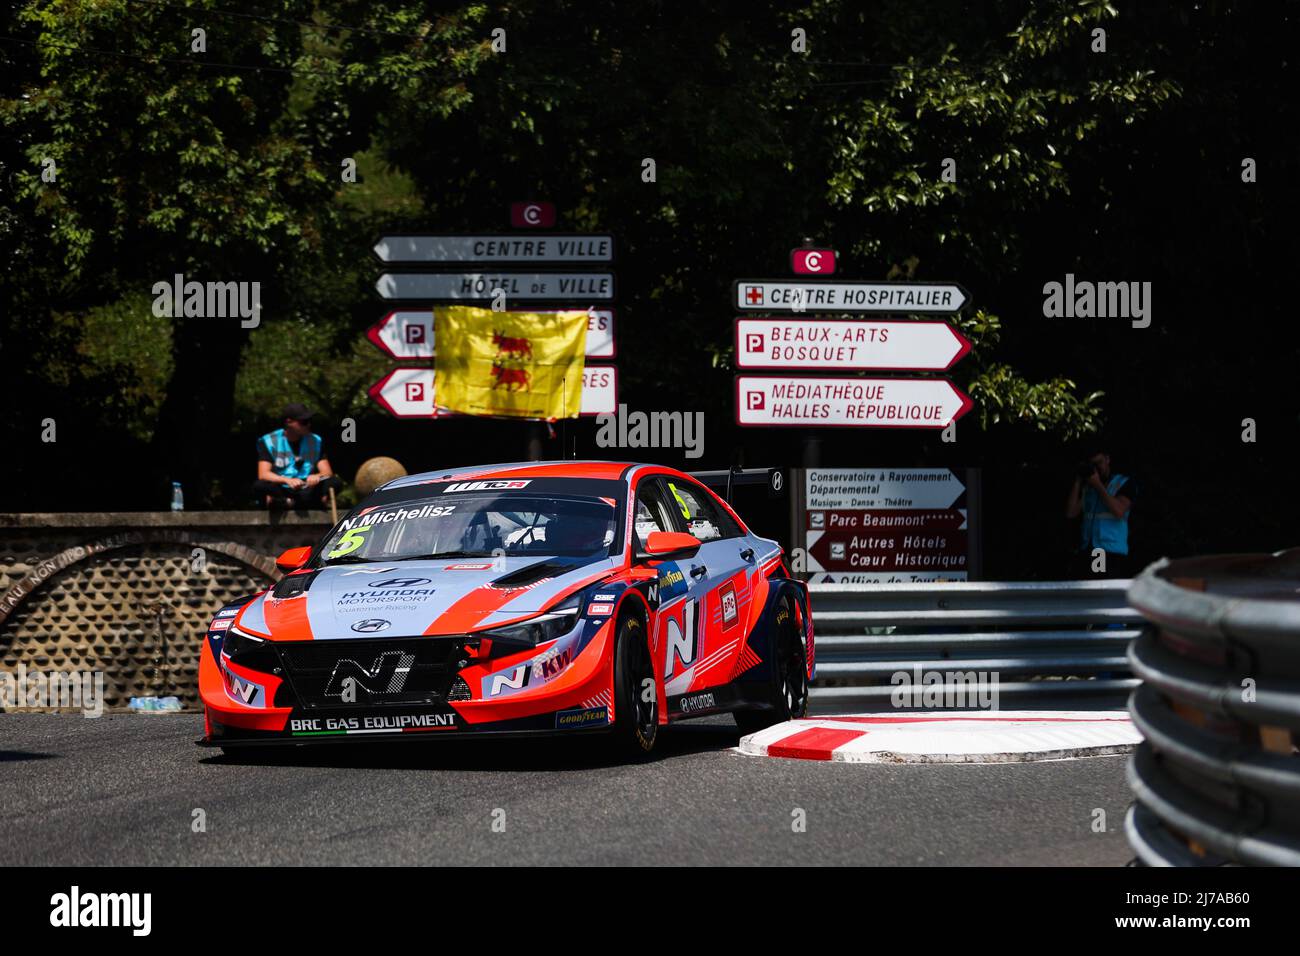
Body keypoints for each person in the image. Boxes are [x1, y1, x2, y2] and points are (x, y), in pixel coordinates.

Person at [253, 403, 342, 509]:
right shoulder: (269, 441)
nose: (308, 425)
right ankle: (307, 502)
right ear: (289, 422)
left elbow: (327, 472)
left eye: (309, 421)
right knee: (259, 485)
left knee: (335, 482)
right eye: (304, 422)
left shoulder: (315, 440)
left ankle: (286, 503)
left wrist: (316, 476)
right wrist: (287, 480)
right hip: (283, 487)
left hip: (306, 487)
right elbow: (263, 474)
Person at [1065, 444, 1136, 578]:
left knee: (1101, 590)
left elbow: (1119, 511)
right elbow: (1071, 513)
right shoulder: (1088, 487)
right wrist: (1078, 481)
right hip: (1089, 548)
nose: (1097, 468)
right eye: (1093, 465)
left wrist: (1098, 485)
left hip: (1109, 550)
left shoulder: (1122, 483)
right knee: (1091, 593)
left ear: (1108, 459)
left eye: (1100, 463)